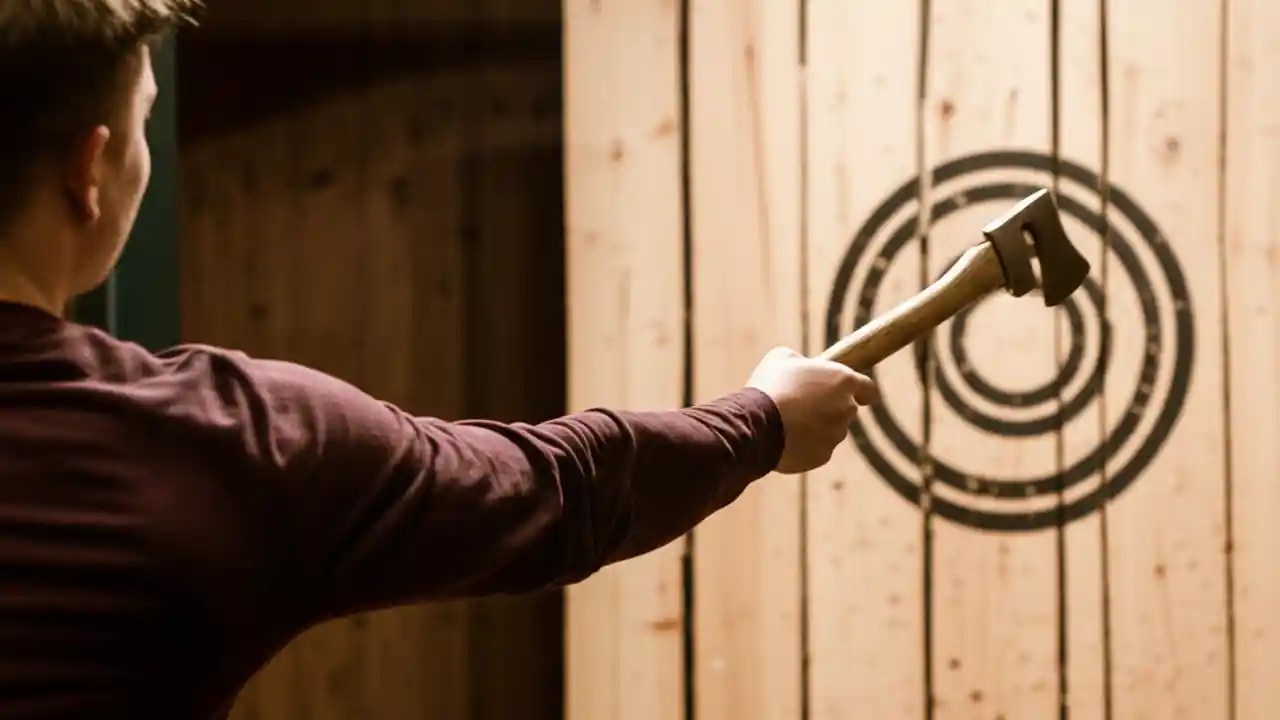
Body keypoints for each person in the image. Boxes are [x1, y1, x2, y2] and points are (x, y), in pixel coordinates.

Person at [0, 1, 880, 718]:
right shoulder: (221, 440)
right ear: (92, 168)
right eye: (142, 121)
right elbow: (555, 489)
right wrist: (762, 419)